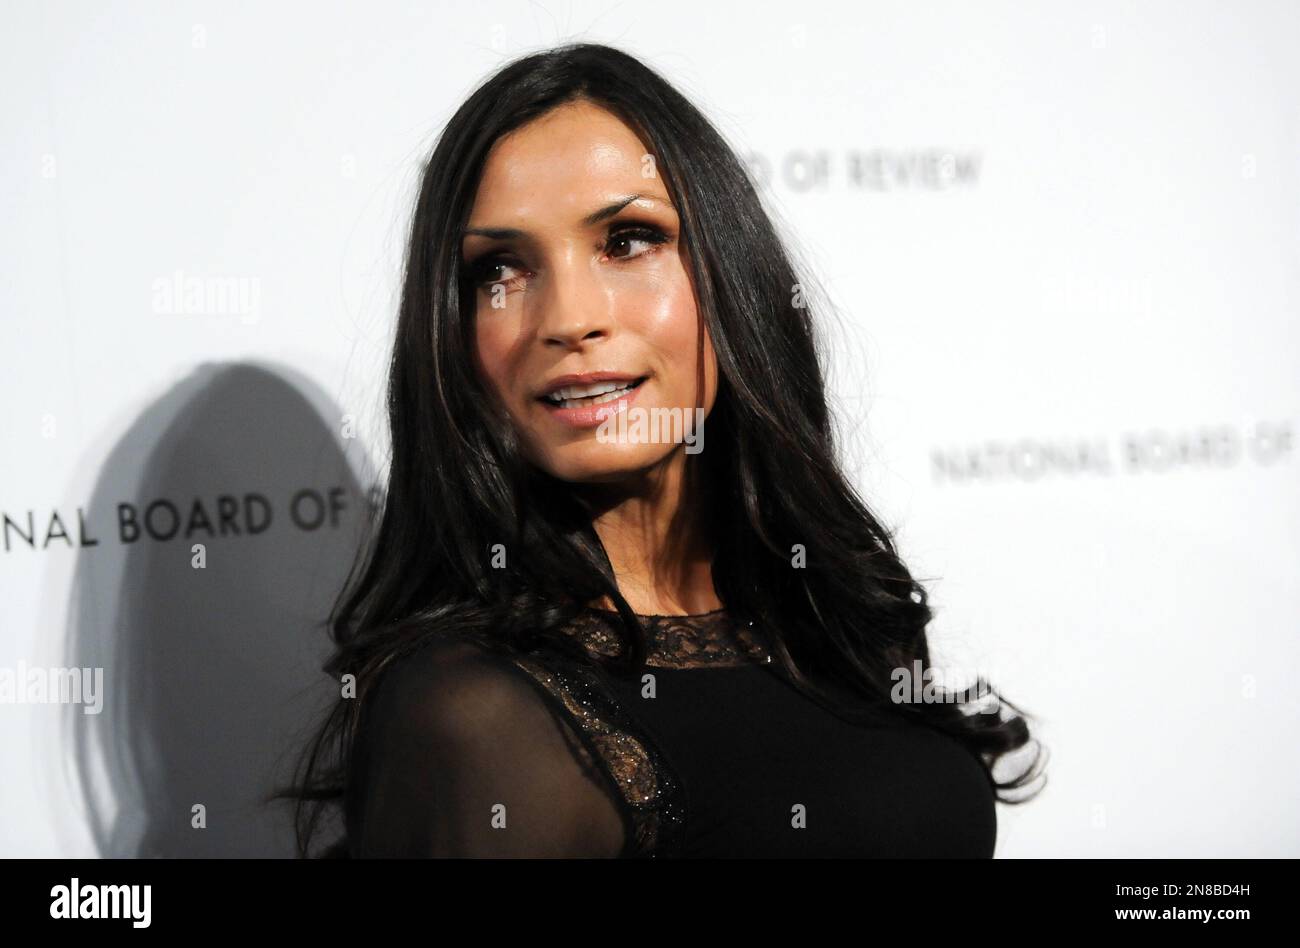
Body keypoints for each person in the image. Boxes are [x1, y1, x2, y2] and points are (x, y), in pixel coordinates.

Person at [280, 42, 1045, 858]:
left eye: (628, 240)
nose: (569, 318)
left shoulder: (827, 616)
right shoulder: (471, 714)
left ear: (729, 271)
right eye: (501, 268)